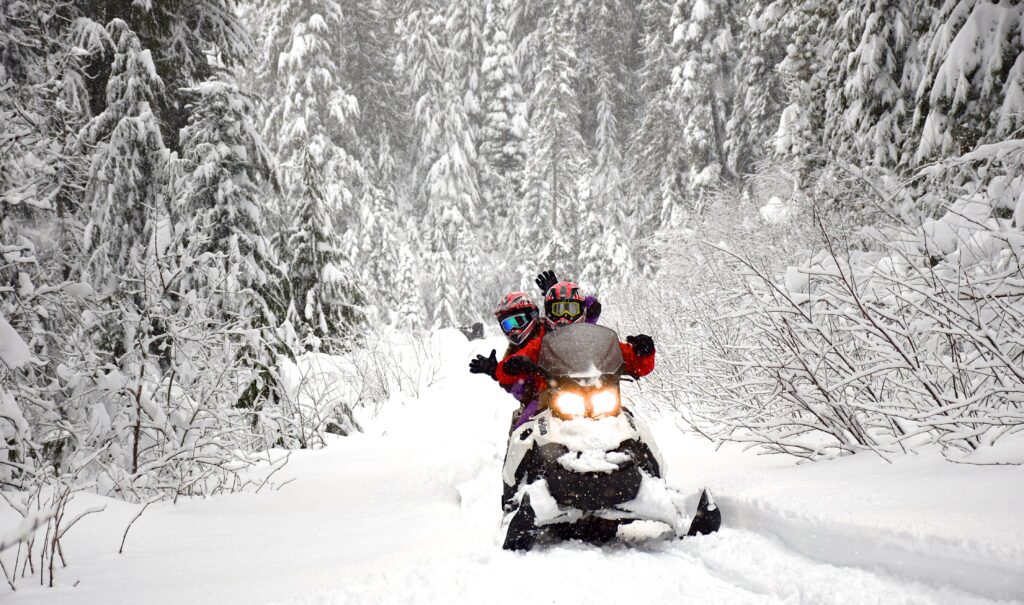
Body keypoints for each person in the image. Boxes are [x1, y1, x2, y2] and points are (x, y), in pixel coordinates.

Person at [494, 280, 657, 422]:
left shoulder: (596, 338)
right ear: (549, 311)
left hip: (599, 396)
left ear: (582, 310)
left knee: (633, 427)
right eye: (558, 310)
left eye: (570, 309)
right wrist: (511, 366)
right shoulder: (541, 344)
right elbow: (506, 368)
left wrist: (644, 352)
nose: (564, 317)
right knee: (525, 431)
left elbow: (639, 365)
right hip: (550, 401)